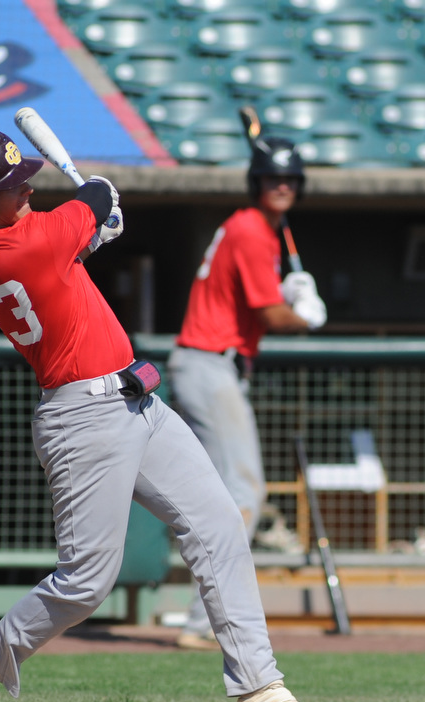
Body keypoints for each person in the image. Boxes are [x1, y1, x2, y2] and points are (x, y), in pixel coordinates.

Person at [0, 128, 337, 702]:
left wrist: (89, 234)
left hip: (137, 402)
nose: (29, 187)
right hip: (82, 419)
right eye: (13, 185)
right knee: (86, 580)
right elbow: (93, 195)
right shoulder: (35, 241)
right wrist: (101, 211)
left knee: (220, 523)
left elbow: (63, 248)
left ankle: (260, 691)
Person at [167, 136, 327, 651]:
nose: (280, 185)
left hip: (213, 366)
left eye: (288, 179)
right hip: (209, 363)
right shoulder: (254, 230)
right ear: (256, 181)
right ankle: (202, 621)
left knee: (229, 496)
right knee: (243, 494)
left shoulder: (253, 227)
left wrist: (289, 299)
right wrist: (305, 315)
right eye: (271, 178)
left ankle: (203, 618)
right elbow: (270, 315)